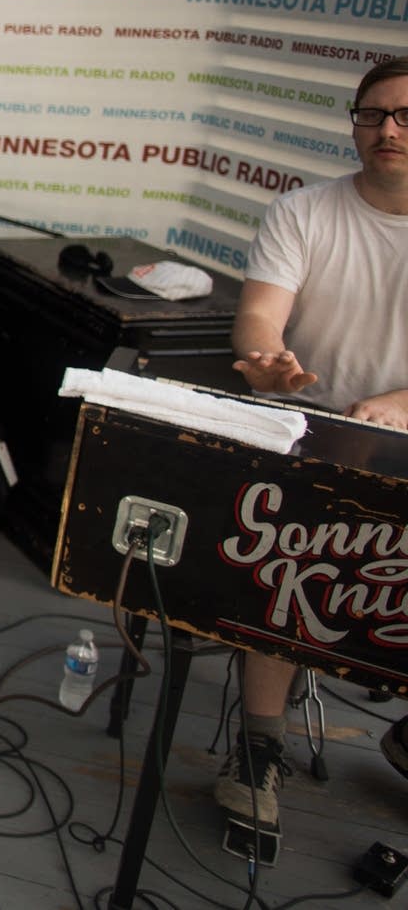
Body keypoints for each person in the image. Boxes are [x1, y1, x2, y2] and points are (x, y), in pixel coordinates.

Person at [219, 55, 408, 829]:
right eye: (374, 115)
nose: (388, 130)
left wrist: (399, 403)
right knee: (284, 557)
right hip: (313, 427)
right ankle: (261, 743)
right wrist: (268, 359)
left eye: (404, 116)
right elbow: (261, 317)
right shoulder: (303, 212)